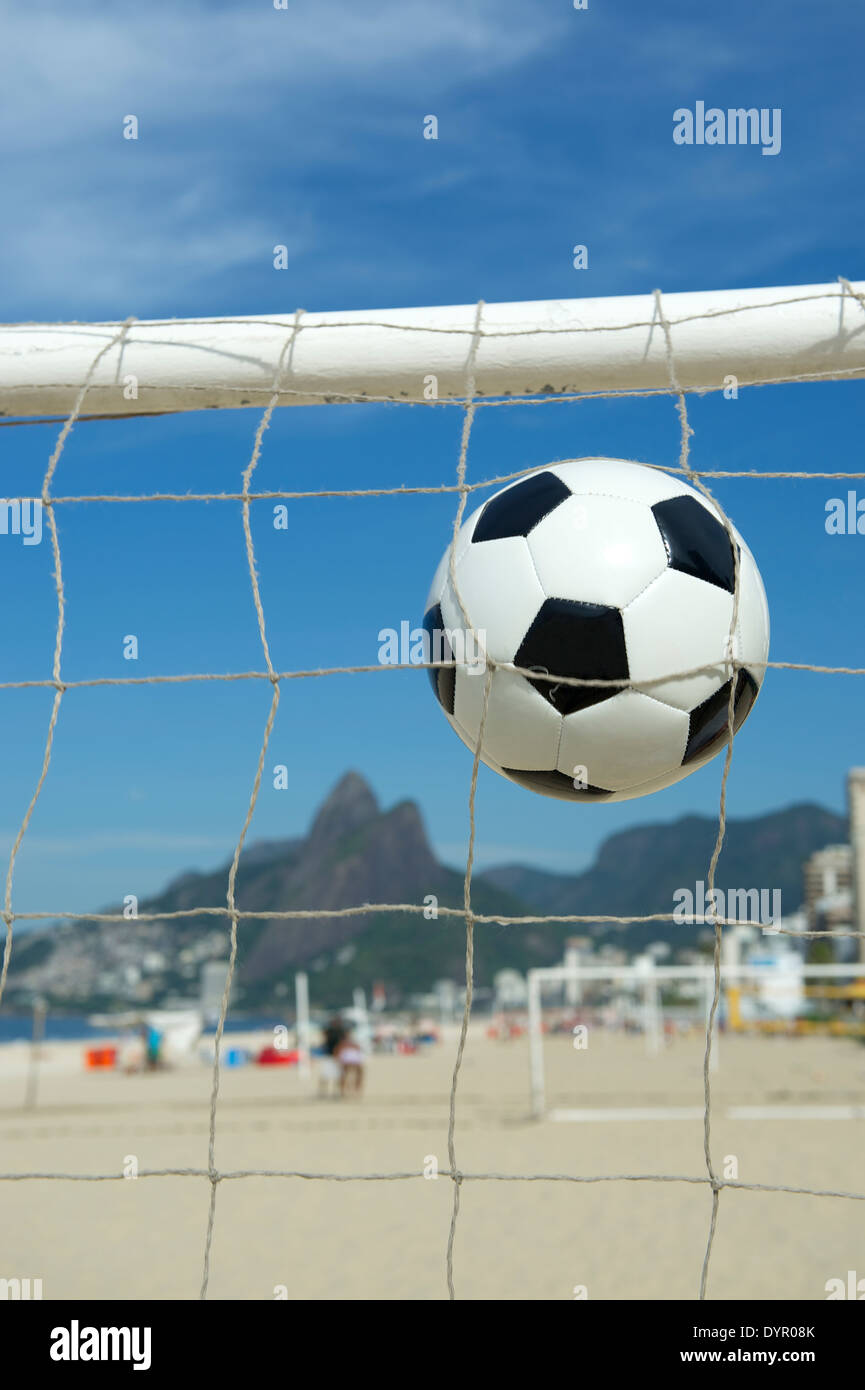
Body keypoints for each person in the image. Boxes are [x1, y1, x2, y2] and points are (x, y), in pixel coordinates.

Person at [318, 1015, 346, 1099]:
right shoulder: (333, 1031)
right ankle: (325, 1092)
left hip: (335, 1055)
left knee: (336, 1075)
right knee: (327, 1075)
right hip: (331, 1055)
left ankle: (336, 1092)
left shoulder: (338, 1032)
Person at [337, 1031, 365, 1098]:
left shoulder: (351, 1044)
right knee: (345, 1075)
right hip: (349, 1061)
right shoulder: (343, 1044)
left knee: (357, 1074)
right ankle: (346, 1090)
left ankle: (356, 1088)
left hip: (353, 1061)